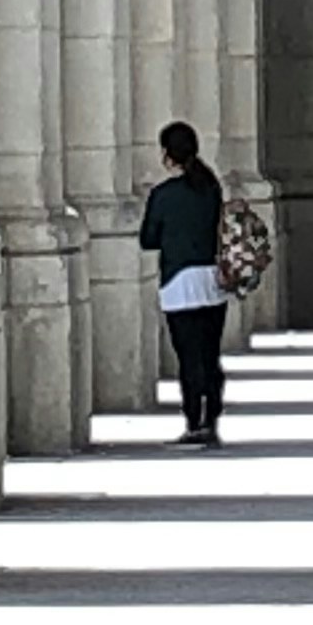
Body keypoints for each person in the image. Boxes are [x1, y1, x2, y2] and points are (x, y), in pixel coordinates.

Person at [140, 118, 228, 449]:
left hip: (178, 281)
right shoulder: (211, 188)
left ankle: (194, 421)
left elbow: (148, 239)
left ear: (168, 155)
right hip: (213, 278)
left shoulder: (163, 195)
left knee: (188, 355)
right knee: (209, 353)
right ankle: (212, 419)